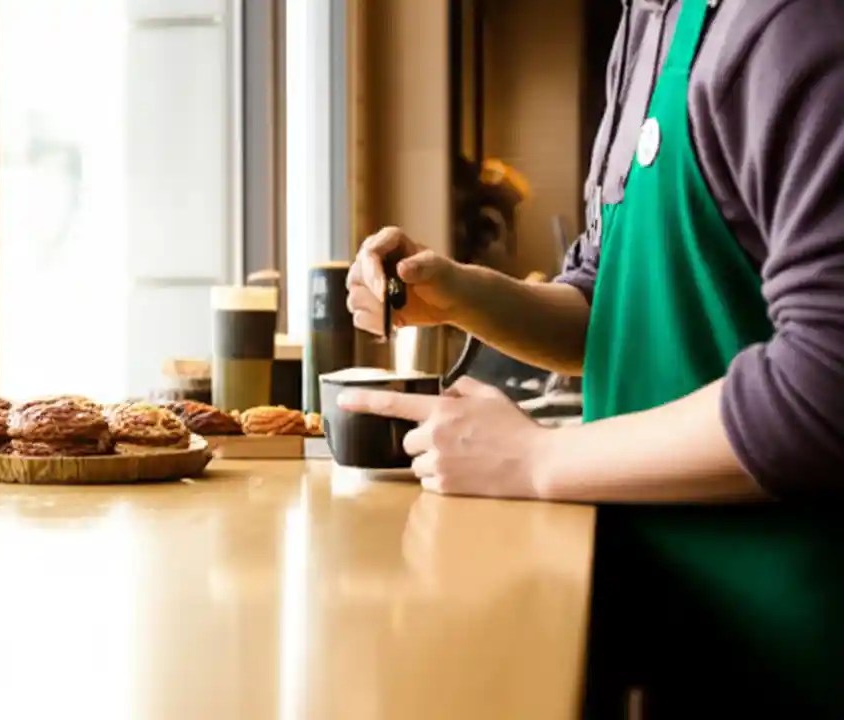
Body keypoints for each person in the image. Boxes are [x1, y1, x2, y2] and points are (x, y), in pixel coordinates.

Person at [342, 0, 844, 715]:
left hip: (795, 650)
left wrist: (535, 460)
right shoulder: (647, 22)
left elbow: (825, 385)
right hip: (693, 624)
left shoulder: (787, 24)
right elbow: (615, 305)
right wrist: (462, 295)